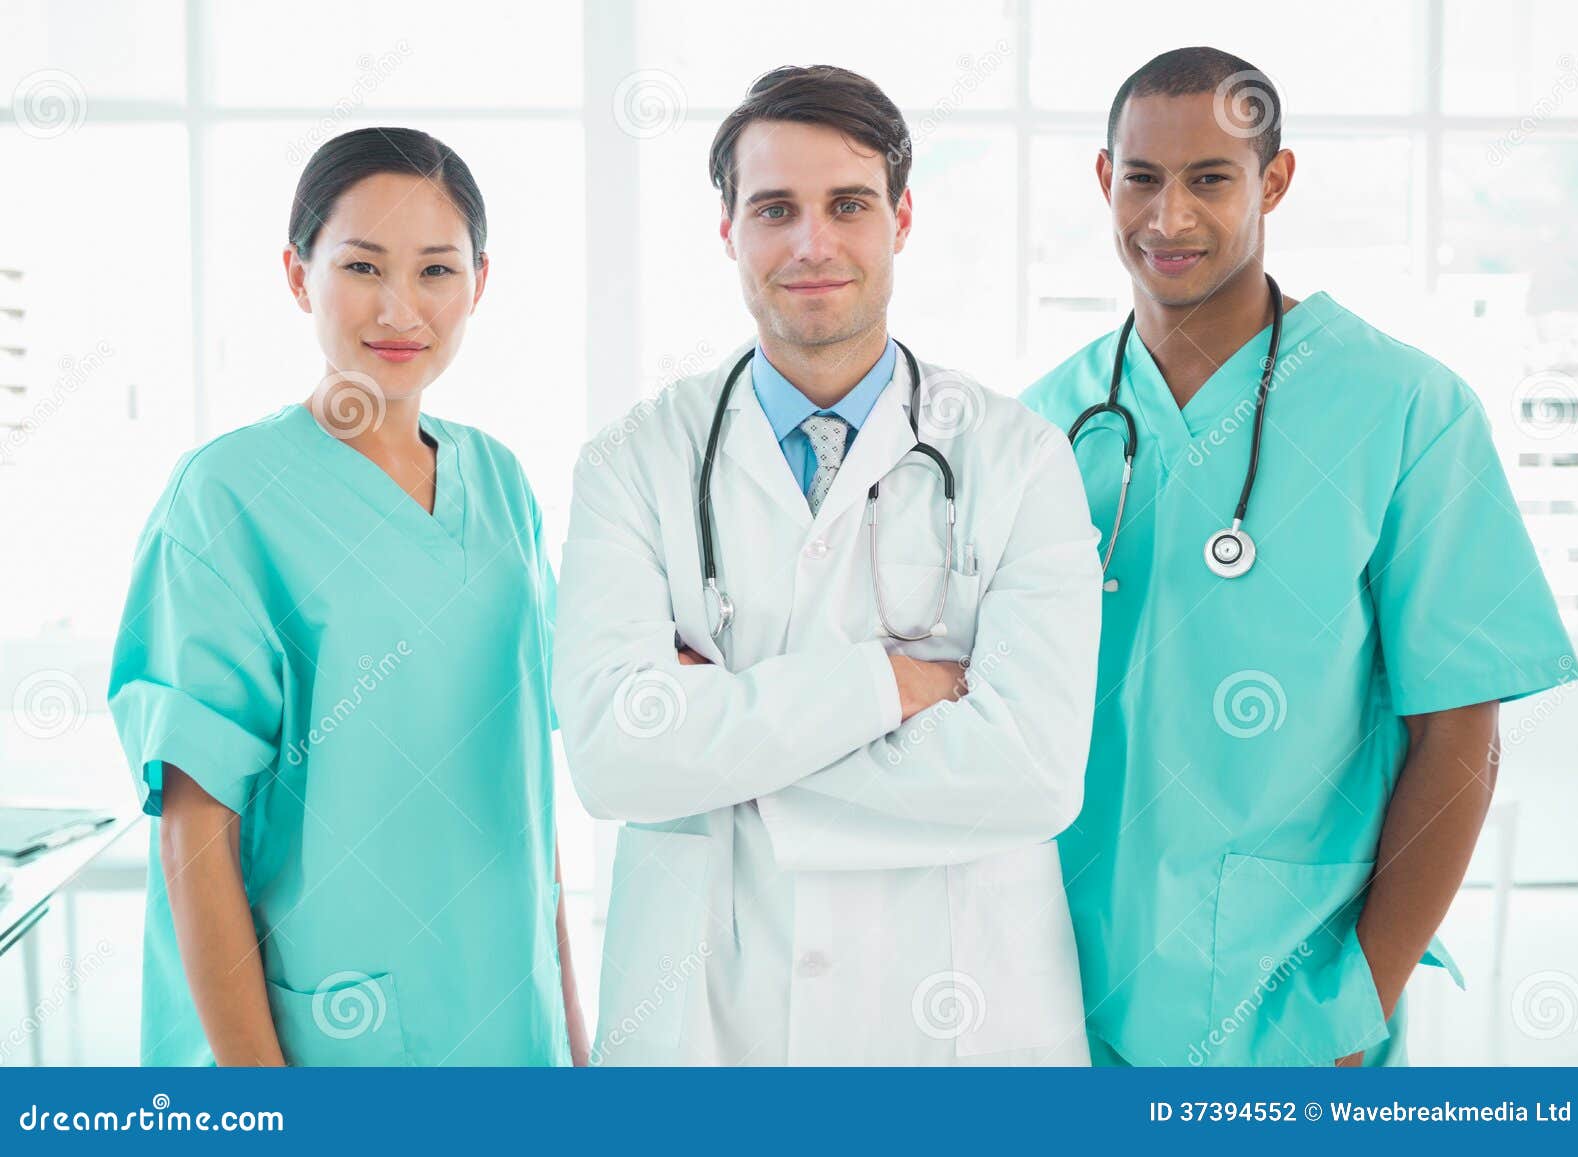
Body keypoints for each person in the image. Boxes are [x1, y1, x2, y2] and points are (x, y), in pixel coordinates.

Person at [1023, 47, 1578, 1067]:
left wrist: (1356, 996)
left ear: (1273, 182)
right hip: (1055, 992)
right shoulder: (1041, 426)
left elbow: (1459, 734)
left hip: (1291, 1006)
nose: (1169, 217)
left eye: (1210, 179)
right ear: (1105, 181)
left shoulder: (1406, 410)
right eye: (1142, 178)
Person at [554, 66, 1102, 1065]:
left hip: (959, 1023)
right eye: (775, 209)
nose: (812, 243)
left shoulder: (1017, 457)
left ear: (900, 216)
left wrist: (722, 747)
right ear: (728, 230)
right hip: (705, 1026)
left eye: (847, 204)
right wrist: (890, 684)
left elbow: (1031, 772)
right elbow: (611, 755)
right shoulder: (632, 462)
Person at [107, 127, 586, 1066]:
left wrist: (569, 1038)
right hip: (320, 1040)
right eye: (362, 265)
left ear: (479, 284)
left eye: (437, 271)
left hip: (509, 1026)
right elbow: (197, 830)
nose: (401, 307)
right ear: (298, 275)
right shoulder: (227, 497)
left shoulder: (502, 485)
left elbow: (521, 784)